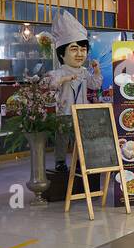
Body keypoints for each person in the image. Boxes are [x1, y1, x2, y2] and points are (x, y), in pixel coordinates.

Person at [43, 10, 101, 169]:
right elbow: (50, 85)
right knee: (62, 138)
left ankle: (79, 161)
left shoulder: (83, 72)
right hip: (64, 112)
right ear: (62, 54)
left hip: (81, 111)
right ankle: (60, 162)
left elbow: (94, 85)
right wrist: (64, 79)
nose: (80, 54)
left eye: (83, 50)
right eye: (74, 49)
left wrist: (96, 71)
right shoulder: (58, 72)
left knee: (79, 139)